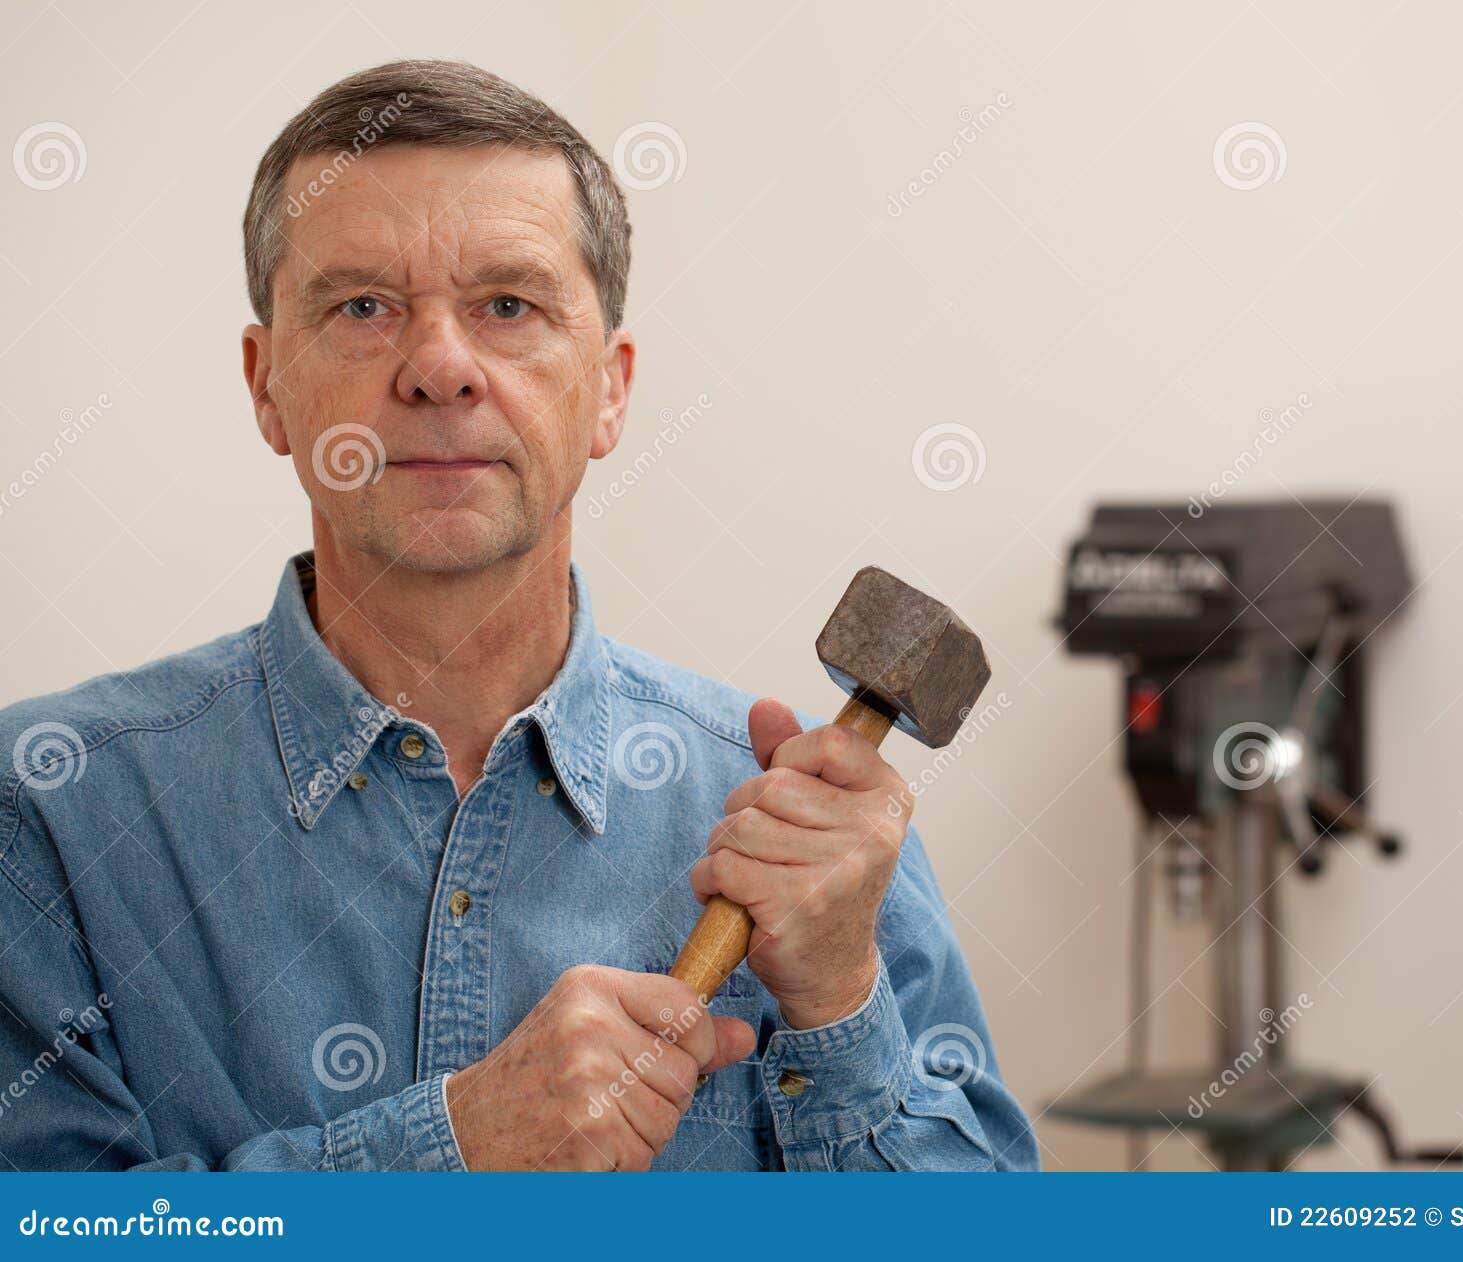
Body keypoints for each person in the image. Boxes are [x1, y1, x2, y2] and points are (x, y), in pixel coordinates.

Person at [0, 59, 1037, 1172]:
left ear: (609, 388)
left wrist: (836, 995)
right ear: (267, 386)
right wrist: (451, 1150)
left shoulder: (813, 830)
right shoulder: (51, 804)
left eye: (509, 304)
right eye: (362, 307)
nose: (441, 367)